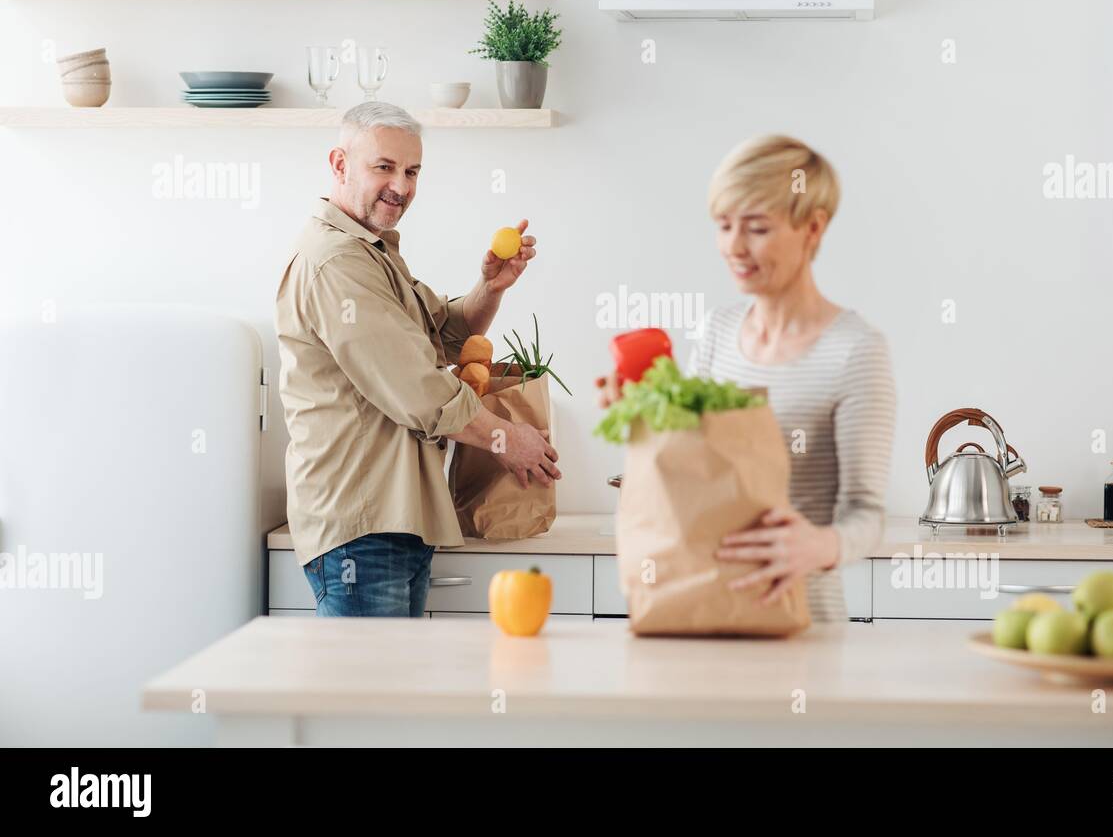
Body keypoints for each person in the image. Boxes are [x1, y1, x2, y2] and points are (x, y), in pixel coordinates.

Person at [275, 102, 560, 617]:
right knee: (374, 695)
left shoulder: (371, 251)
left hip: (392, 521)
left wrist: (490, 289)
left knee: (393, 693)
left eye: (412, 172)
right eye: (383, 167)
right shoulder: (337, 261)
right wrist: (505, 437)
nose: (401, 187)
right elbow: (418, 388)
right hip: (362, 528)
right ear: (340, 164)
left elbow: (443, 335)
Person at [599, 134, 896, 621]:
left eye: (757, 228)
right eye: (723, 225)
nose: (733, 247)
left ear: (813, 228)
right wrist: (639, 408)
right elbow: (690, 465)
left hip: (803, 624)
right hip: (699, 604)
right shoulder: (717, 331)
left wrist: (817, 544)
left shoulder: (856, 351)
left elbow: (867, 515)